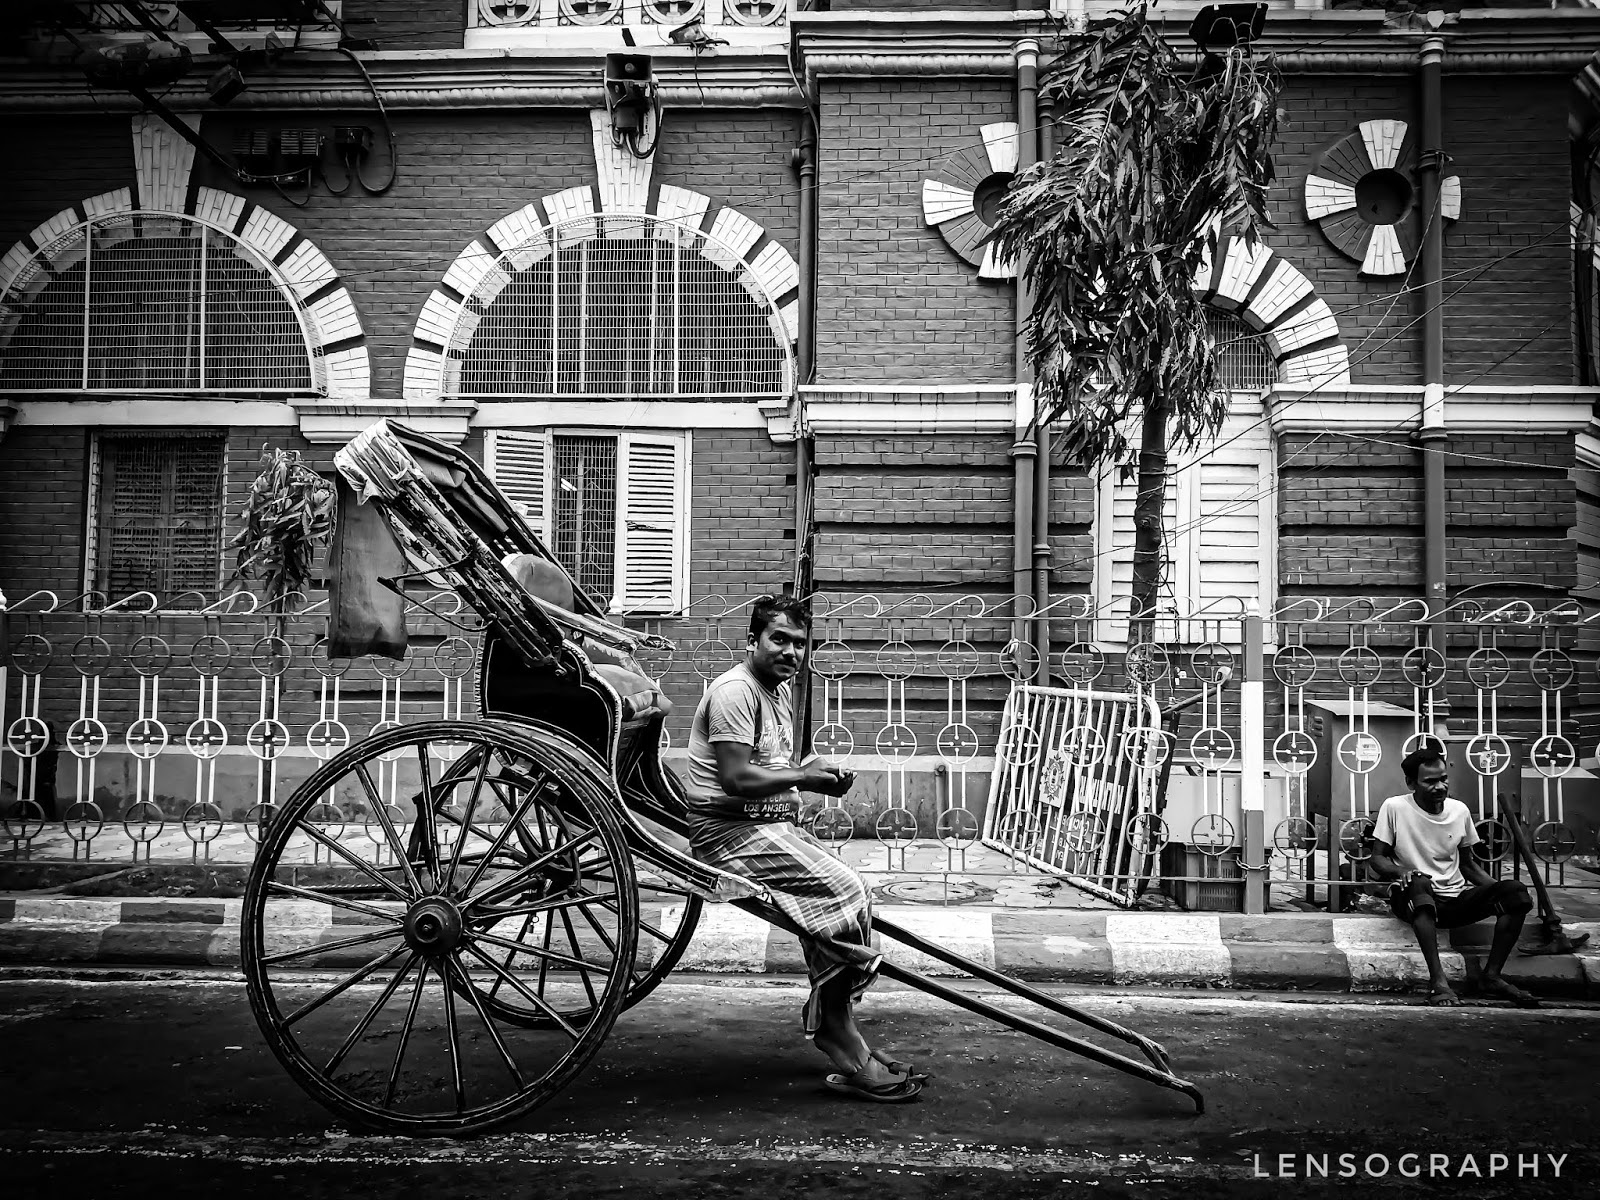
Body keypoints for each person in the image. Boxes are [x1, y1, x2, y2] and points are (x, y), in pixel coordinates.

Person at [684, 594, 925, 1103]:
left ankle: (840, 1025)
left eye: (799, 643)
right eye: (779, 639)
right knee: (844, 891)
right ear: (752, 641)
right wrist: (805, 777)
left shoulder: (775, 691)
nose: (791, 652)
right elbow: (736, 777)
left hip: (765, 828)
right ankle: (838, 1033)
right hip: (730, 836)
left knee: (852, 898)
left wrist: (816, 779)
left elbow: (772, 770)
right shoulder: (735, 691)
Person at [1369, 746, 1540, 1008]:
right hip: (1414, 898)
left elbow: (1469, 866)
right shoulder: (1394, 807)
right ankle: (1439, 982)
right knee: (1419, 882)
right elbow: (1377, 858)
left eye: (1443, 779)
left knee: (1515, 892)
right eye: (1430, 781)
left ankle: (1491, 976)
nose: (1439, 786)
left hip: (1453, 899)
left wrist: (1501, 893)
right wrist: (1401, 872)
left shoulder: (1459, 811)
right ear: (1411, 783)